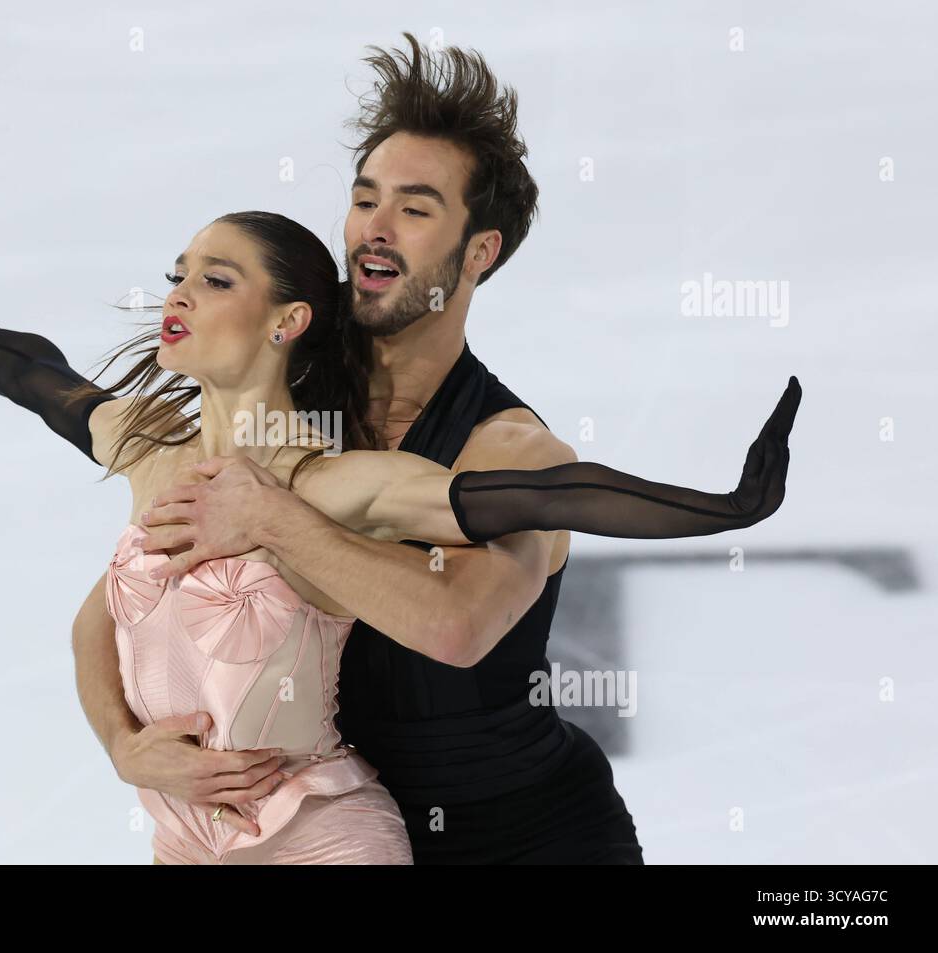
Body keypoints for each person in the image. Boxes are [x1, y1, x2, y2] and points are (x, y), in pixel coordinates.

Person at [0, 164, 799, 863]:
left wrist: (720, 508)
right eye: (179, 272)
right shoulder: (148, 446)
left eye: (217, 280)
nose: (178, 294)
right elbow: (36, 374)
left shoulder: (336, 482)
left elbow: (522, 496)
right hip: (185, 834)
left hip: (322, 838)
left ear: (288, 321)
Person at [75, 33, 804, 864]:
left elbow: (455, 624)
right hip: (325, 831)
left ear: (479, 251)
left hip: (525, 841)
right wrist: (124, 743)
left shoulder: (510, 448)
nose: (373, 232)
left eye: (416, 210)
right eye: (364, 199)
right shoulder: (281, 394)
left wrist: (274, 520)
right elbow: (108, 608)